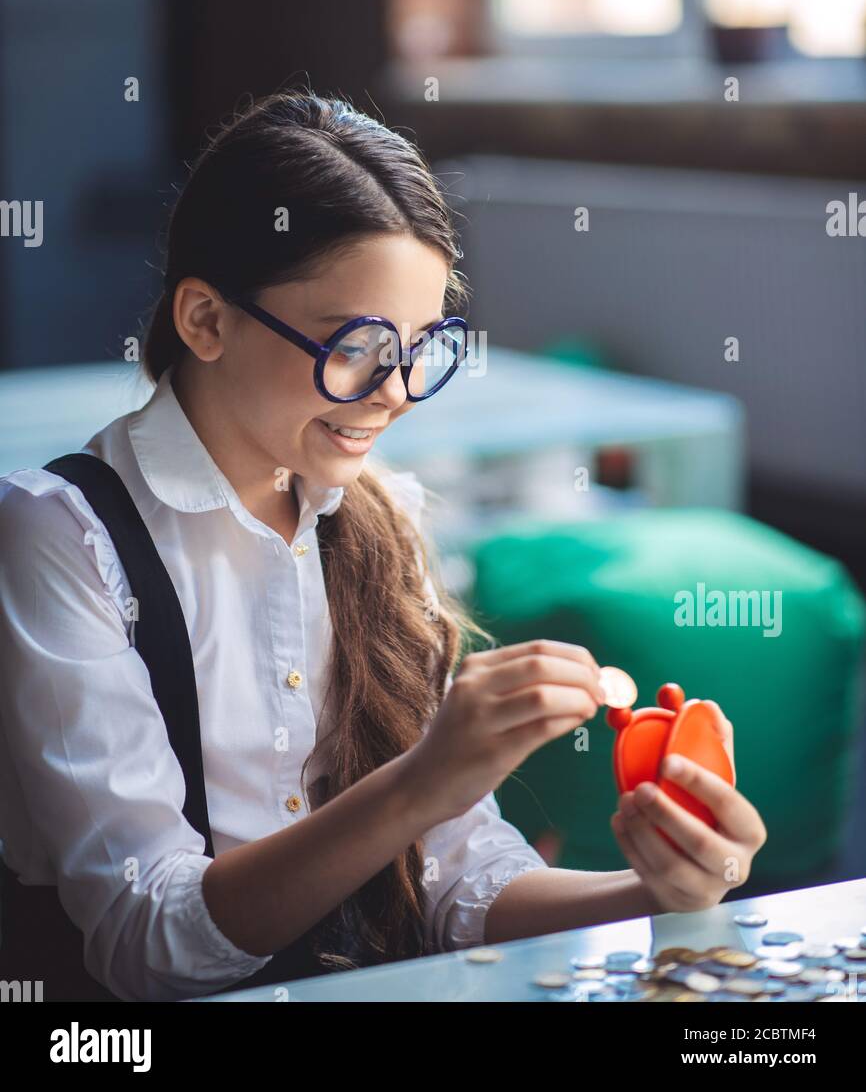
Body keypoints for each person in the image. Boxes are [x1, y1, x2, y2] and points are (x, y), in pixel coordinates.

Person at [0, 90, 767, 1001]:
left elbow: (460, 881)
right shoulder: (61, 536)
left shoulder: (377, 518)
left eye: (423, 346)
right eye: (357, 344)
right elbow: (148, 942)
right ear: (204, 320)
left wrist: (659, 893)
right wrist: (422, 780)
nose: (397, 392)